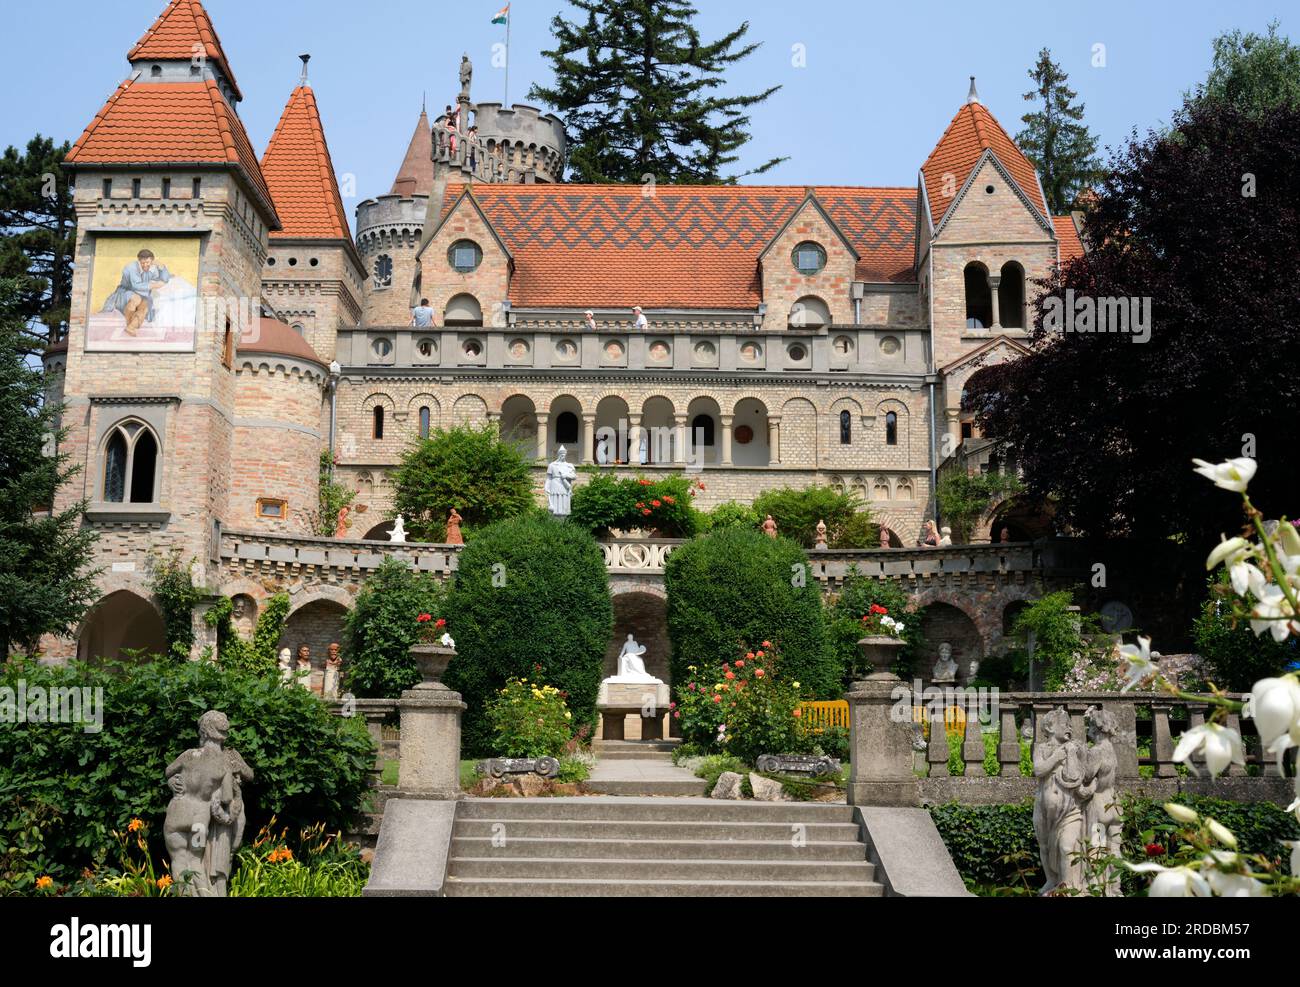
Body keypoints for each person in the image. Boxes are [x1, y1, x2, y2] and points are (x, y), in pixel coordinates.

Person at [102, 248, 171, 335]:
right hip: (125, 293)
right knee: (136, 299)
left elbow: (165, 279)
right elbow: (136, 285)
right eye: (142, 263)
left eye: (148, 262)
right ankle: (129, 323)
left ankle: (131, 327)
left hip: (143, 295)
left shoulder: (153, 269)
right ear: (139, 261)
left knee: (145, 306)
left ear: (152, 261)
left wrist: (161, 267)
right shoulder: (131, 268)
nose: (145, 265)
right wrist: (153, 285)